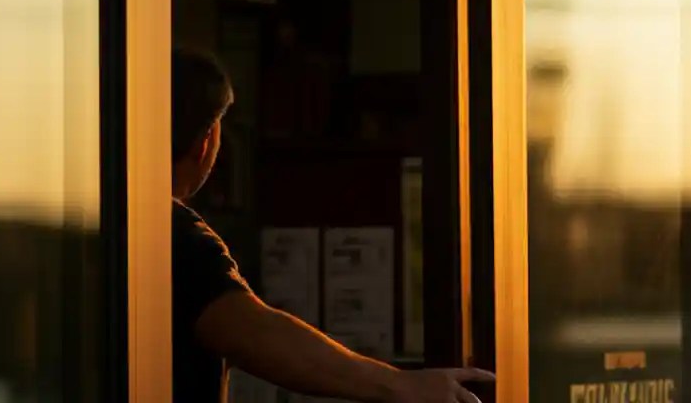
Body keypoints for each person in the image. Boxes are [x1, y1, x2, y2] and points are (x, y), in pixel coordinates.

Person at [171, 50, 494, 403]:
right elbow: (250, 331)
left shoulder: (130, 229)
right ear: (207, 142)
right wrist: (403, 385)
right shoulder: (177, 238)